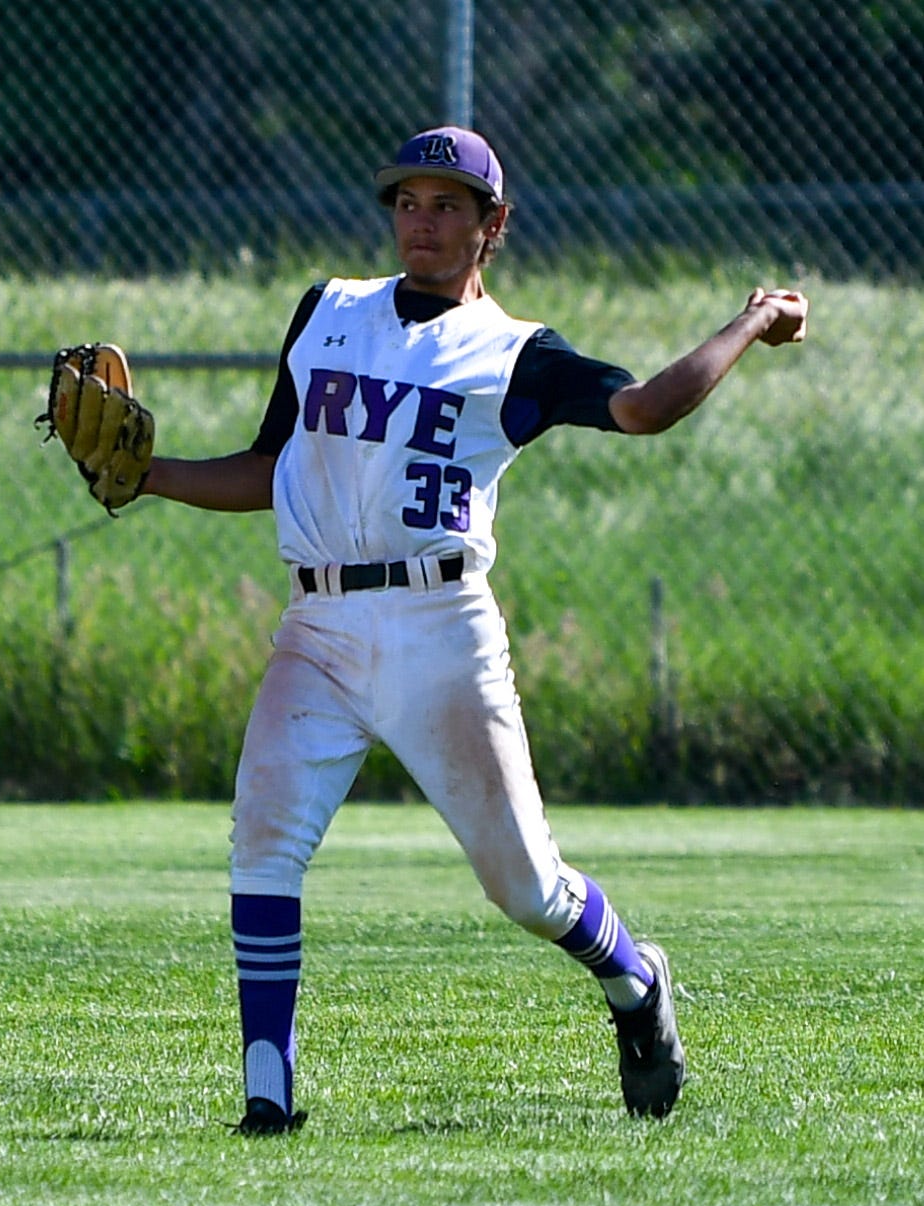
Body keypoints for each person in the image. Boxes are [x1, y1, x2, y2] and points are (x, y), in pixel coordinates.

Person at [140, 125, 809, 1134]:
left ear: (492, 225)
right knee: (262, 844)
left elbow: (638, 411)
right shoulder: (326, 311)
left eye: (448, 204)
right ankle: (266, 1100)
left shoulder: (515, 353)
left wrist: (750, 319)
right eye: (408, 201)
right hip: (315, 623)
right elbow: (267, 465)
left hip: (438, 625)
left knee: (527, 886)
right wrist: (145, 475)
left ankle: (634, 979)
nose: (422, 220)